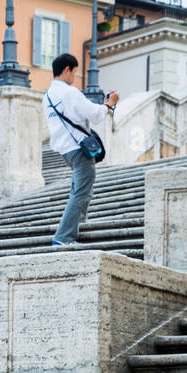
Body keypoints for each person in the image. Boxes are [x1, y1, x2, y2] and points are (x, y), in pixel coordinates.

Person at [45, 53, 118, 247]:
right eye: (74, 72)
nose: (74, 77)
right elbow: (94, 114)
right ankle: (64, 237)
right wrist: (108, 105)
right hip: (79, 147)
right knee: (82, 192)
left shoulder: (48, 95)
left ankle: (80, 222)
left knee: (79, 188)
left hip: (65, 149)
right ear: (67, 69)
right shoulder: (69, 92)